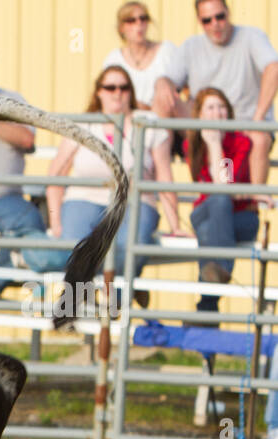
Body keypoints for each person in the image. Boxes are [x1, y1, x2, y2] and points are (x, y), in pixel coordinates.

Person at [46, 66, 180, 300]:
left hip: (134, 202)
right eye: (110, 87)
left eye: (124, 87)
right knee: (72, 247)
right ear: (98, 92)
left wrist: (175, 225)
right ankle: (86, 302)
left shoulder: (146, 124)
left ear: (131, 92)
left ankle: (113, 299)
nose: (117, 93)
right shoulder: (83, 125)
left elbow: (164, 175)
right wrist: (56, 222)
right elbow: (55, 176)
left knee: (130, 250)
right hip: (84, 198)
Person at [0, 36, 66, 298]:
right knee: (29, 224)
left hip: (6, 198)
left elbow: (28, 140)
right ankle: (33, 271)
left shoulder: (10, 99)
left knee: (28, 219)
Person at [153, 0, 278, 187]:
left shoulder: (251, 36)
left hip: (241, 130)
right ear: (199, 21)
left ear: (228, 13)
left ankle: (252, 203)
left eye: (220, 16)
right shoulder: (191, 46)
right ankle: (163, 180)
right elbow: (169, 80)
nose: (215, 24)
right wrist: (163, 83)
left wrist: (257, 119)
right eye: (207, 20)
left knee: (224, 189)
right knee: (162, 95)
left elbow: (273, 67)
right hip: (207, 132)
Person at [185, 88, 260, 311]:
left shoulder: (241, 142)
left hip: (242, 217)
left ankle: (206, 309)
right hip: (206, 211)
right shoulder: (193, 145)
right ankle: (221, 272)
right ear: (200, 115)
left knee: (211, 227)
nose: (217, 112)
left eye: (221, 106)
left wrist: (216, 144)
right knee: (217, 205)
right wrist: (211, 143)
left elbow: (223, 185)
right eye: (210, 107)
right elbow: (219, 191)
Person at [101, 2, 176, 111]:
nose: (139, 24)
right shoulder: (113, 59)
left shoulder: (167, 51)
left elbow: (185, 88)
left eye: (143, 18)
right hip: (127, 119)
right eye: (131, 20)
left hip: (162, 122)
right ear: (121, 28)